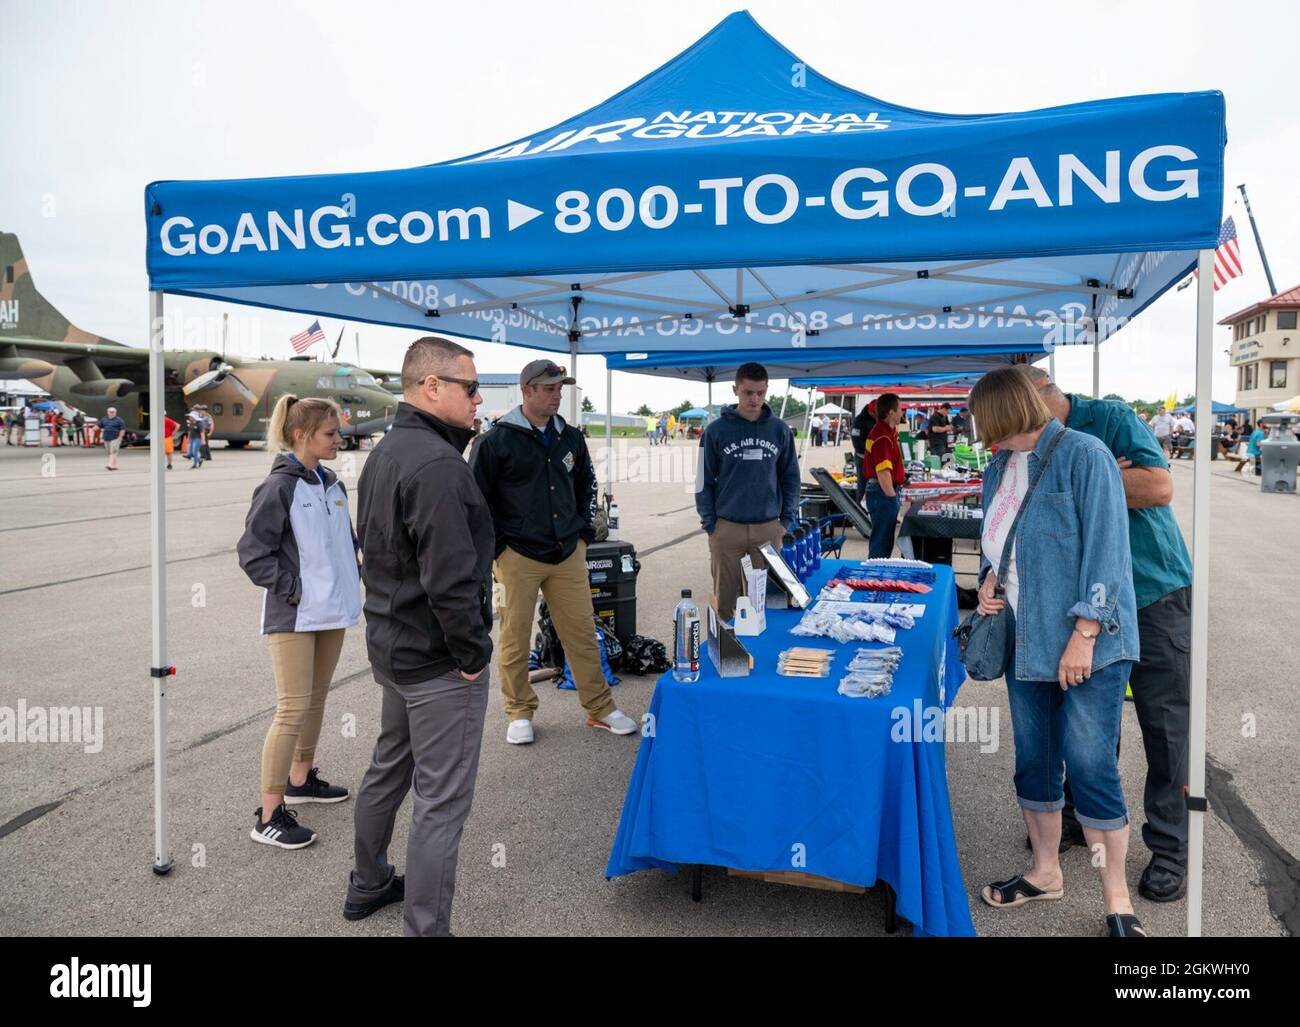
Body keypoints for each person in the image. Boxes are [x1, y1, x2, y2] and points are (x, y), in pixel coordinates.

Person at [972, 367, 1143, 937]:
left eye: (980, 416)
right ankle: (1046, 873)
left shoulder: (1084, 455)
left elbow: (1109, 554)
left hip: (1085, 644)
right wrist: (989, 579)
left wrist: (1085, 634)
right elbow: (997, 540)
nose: (976, 429)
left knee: (1092, 765)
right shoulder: (999, 467)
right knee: (1036, 759)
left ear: (1000, 412)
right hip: (1025, 641)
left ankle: (1117, 902)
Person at [1024, 367, 1193, 902]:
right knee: (1090, 722)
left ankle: (1169, 847)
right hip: (1088, 600)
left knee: (1164, 726)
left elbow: (1159, 486)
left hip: (1151, 592)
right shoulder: (1035, 442)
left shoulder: (1110, 417)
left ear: (1048, 397)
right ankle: (1081, 815)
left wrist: (1091, 476)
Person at [346, 336, 494, 936]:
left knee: (389, 767)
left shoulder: (387, 452)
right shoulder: (436, 465)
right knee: (440, 801)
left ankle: (369, 881)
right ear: (432, 387)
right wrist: (473, 656)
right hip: (434, 661)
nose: (478, 398)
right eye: (470, 387)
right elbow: (451, 580)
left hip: (394, 647)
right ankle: (425, 929)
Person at [470, 359, 636, 746]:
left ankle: (599, 707)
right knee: (514, 635)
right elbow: (477, 501)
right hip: (518, 558)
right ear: (527, 391)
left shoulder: (571, 437)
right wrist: (500, 550)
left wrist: (580, 533)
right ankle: (519, 711)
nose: (557, 395)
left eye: (560, 388)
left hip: (566, 553)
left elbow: (585, 485)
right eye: (549, 388)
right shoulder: (494, 441)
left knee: (581, 632)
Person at [238, 394, 359, 851]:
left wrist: (354, 578)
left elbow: (345, 545)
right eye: (331, 433)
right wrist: (296, 589)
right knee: (291, 708)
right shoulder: (278, 487)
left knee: (317, 700)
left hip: (334, 612)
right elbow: (252, 554)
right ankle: (268, 814)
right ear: (301, 436)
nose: (339, 440)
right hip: (296, 614)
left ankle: (300, 778)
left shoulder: (333, 484)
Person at [696, 362, 800, 620]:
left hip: (767, 527)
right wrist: (711, 524)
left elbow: (791, 477)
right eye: (747, 392)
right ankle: (728, 659)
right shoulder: (715, 431)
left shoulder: (780, 430)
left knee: (763, 604)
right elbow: (703, 480)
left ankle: (759, 656)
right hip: (726, 528)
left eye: (760, 393)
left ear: (767, 391)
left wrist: (785, 521)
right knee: (725, 604)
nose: (754, 399)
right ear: (735, 390)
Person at [863, 393, 907, 559]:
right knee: (881, 543)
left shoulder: (886, 432)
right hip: (882, 492)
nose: (902, 413)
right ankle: (875, 580)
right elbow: (883, 473)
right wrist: (891, 498)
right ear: (891, 412)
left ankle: (876, 578)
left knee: (882, 540)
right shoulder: (882, 436)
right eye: (900, 409)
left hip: (880, 491)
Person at [850, 399, 877, 502]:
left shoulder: (878, 419)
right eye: (876, 414)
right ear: (871, 411)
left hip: (876, 459)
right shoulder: (859, 421)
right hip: (863, 458)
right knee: (863, 487)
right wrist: (872, 450)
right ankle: (861, 512)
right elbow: (856, 442)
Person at [100, 406, 126, 470]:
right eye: (110, 412)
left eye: (113, 412)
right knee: (110, 452)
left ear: (116, 413)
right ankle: (114, 465)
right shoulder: (104, 419)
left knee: (113, 451)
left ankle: (110, 465)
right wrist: (92, 430)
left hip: (115, 438)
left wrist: (119, 438)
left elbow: (122, 430)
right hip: (106, 438)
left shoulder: (119, 420)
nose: (112, 413)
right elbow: (99, 425)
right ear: (107, 412)